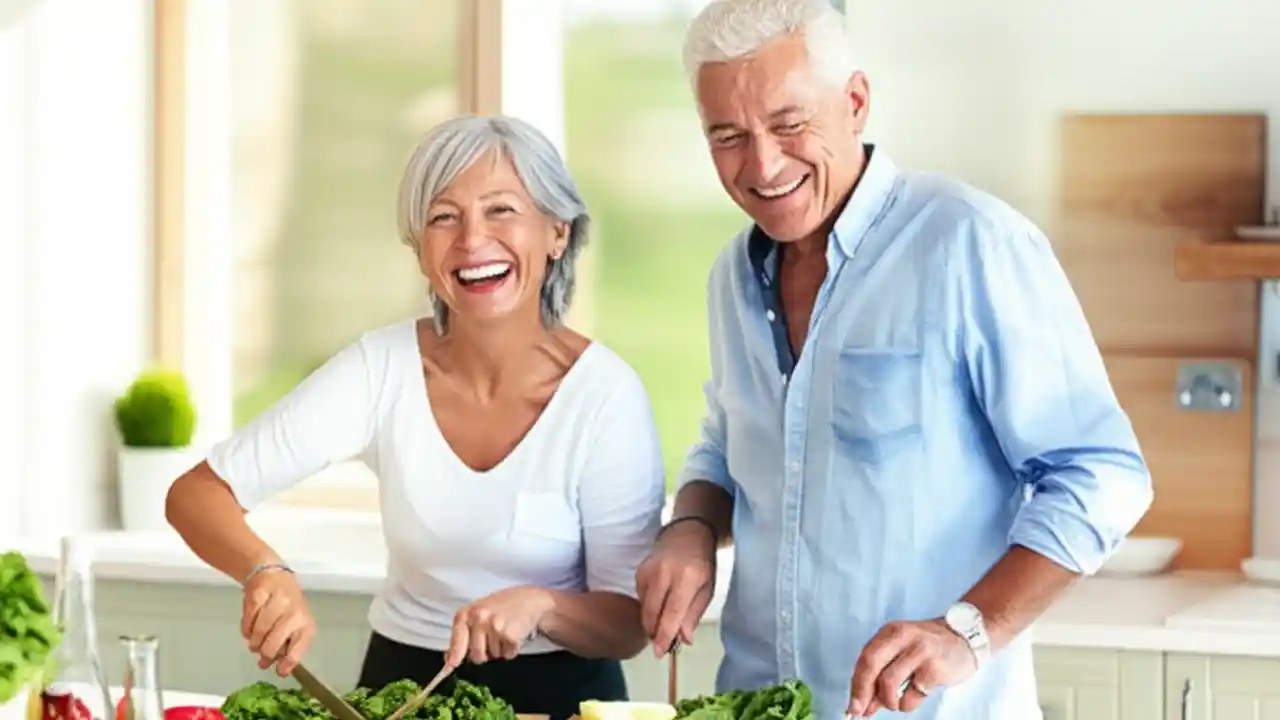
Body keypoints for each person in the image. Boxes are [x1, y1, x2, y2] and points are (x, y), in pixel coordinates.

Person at [635, 1, 1154, 718]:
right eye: (728, 136)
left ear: (854, 103)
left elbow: (1102, 473)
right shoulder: (732, 273)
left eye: (790, 124)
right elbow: (729, 445)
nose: (762, 164)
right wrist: (690, 528)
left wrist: (966, 631)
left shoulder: (968, 243)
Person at [166, 115, 666, 720]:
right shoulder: (379, 370)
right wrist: (263, 570)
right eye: (443, 217)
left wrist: (543, 607)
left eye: (501, 210)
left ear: (557, 233)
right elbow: (197, 494)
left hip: (562, 701)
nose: (472, 241)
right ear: (420, 249)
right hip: (402, 695)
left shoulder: (604, 396)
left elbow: (628, 625)